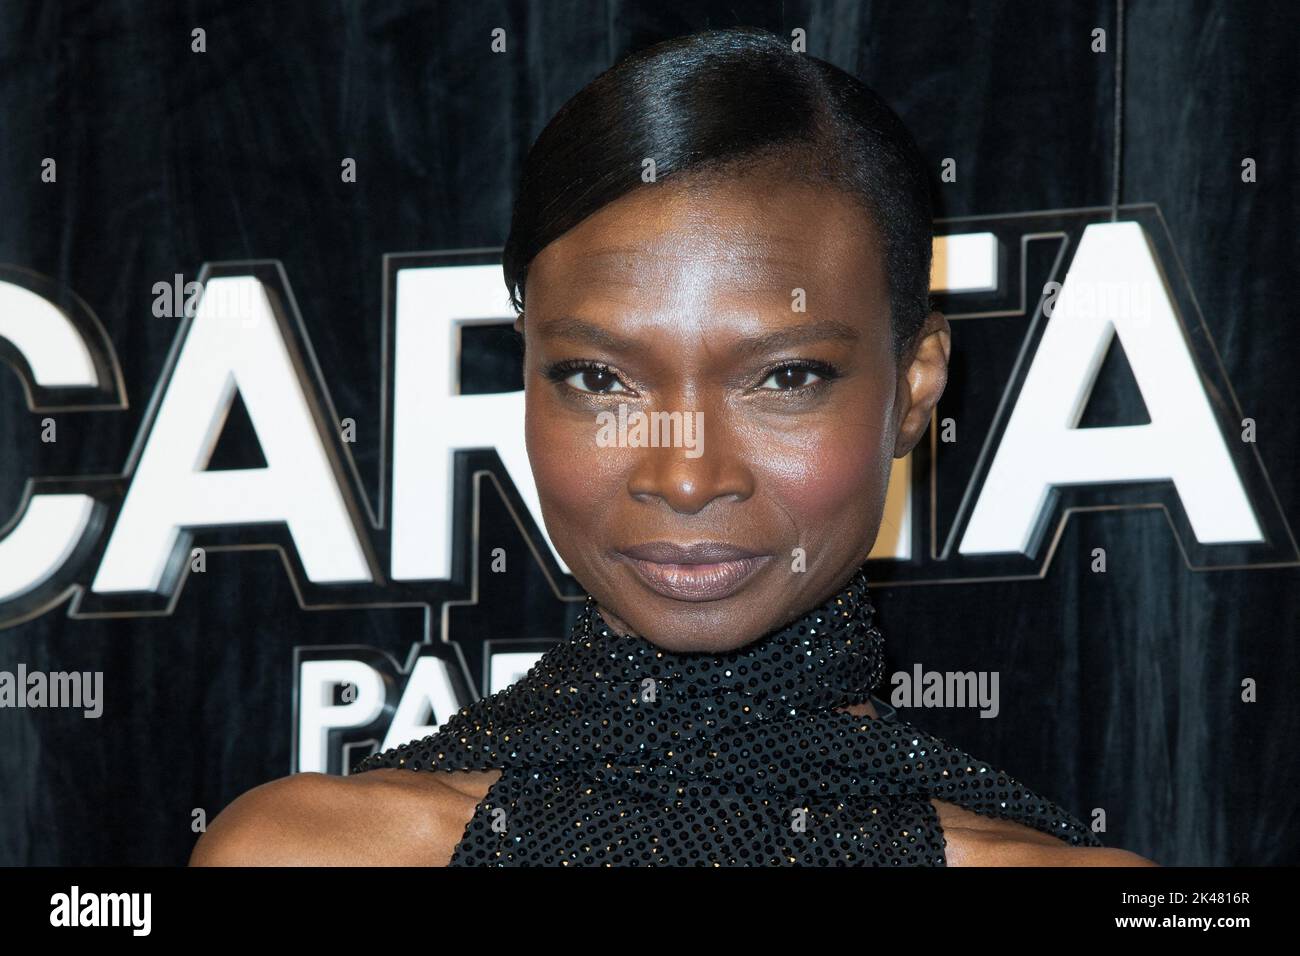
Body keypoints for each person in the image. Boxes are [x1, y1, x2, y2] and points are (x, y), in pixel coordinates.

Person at [190, 26, 1155, 866]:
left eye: (785, 377)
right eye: (599, 379)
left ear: (915, 386)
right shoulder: (296, 855)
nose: (686, 475)